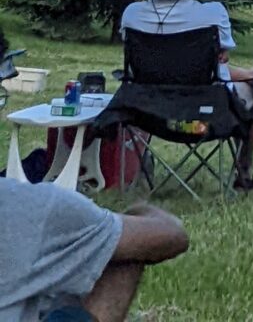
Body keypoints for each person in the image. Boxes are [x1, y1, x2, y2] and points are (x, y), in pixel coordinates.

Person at [0, 29, 188, 322]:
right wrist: (133, 211)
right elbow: (170, 235)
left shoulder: (134, 19)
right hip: (188, 104)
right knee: (123, 252)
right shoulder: (31, 210)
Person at [119, 0, 253, 189]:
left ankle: (139, 171)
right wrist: (247, 76)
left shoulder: (131, 15)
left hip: (148, 113)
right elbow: (219, 64)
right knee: (251, 95)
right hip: (205, 113)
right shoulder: (213, 14)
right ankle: (244, 172)